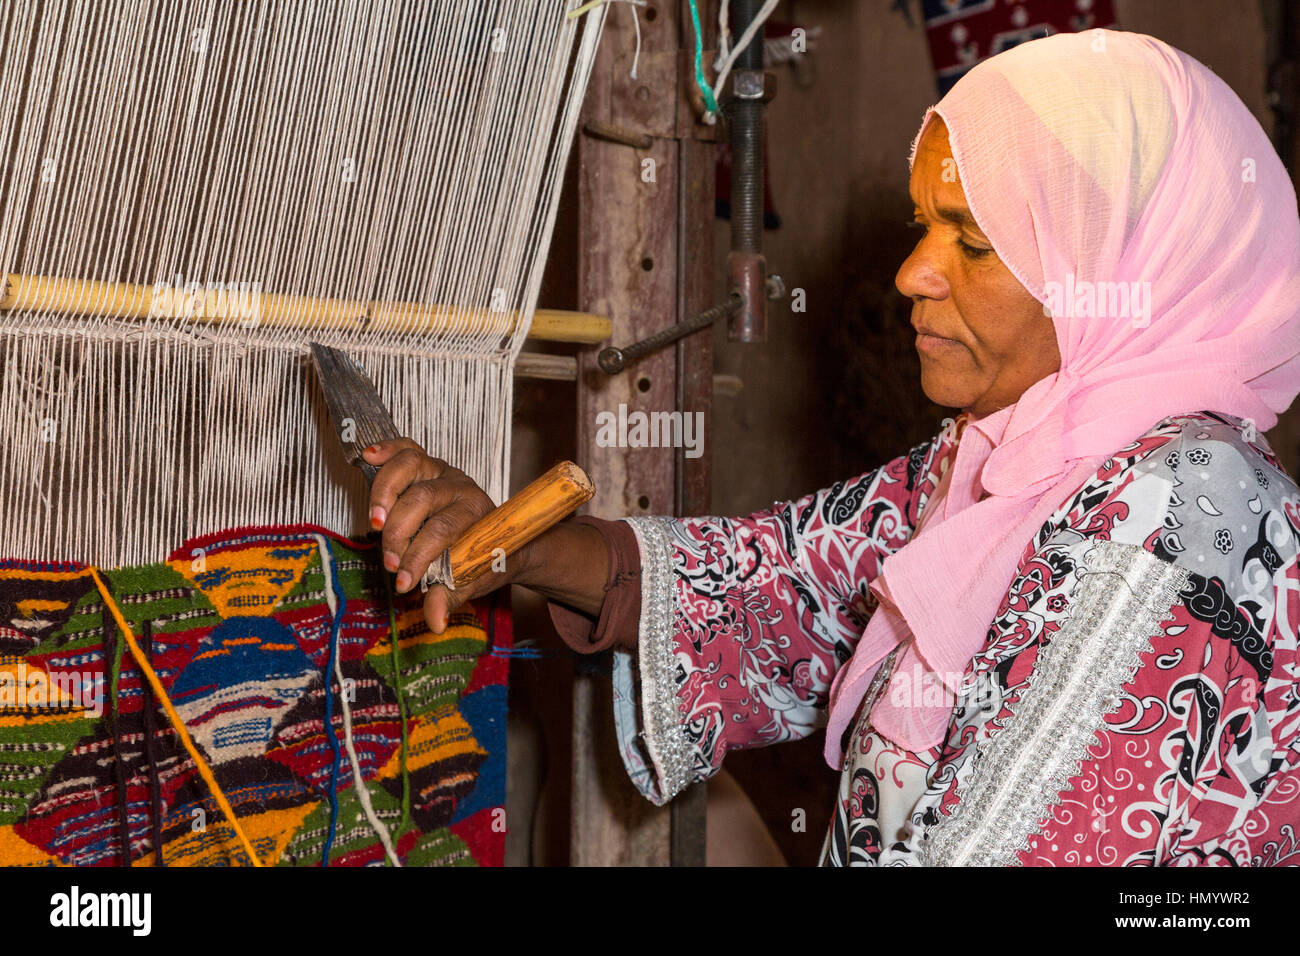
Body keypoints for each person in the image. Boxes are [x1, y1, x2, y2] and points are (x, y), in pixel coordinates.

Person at [361, 29, 1300, 866]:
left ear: (1115, 266)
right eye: (921, 226)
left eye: (973, 244)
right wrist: (517, 545)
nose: (912, 274)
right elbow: (783, 589)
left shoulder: (1184, 509)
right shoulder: (1005, 459)